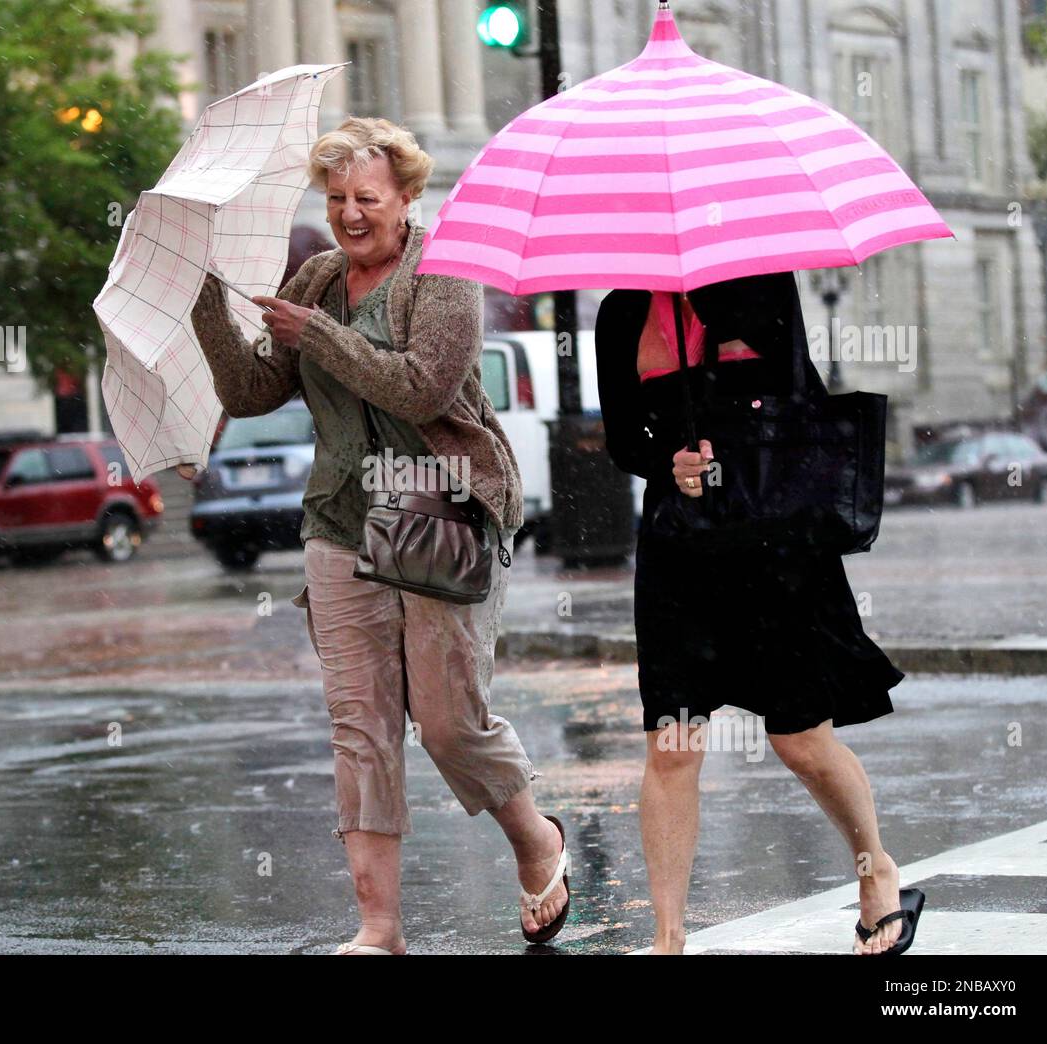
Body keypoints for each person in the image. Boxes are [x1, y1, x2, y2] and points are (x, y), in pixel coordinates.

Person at [186, 117, 570, 954]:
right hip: (338, 525)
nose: (350, 215)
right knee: (360, 725)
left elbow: (425, 388)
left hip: (440, 512)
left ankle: (536, 837)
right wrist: (205, 304)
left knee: (446, 724)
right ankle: (379, 928)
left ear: (406, 196)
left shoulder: (446, 271)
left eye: (366, 197)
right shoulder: (319, 276)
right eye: (335, 199)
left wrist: (316, 334)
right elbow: (254, 392)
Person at [595, 273, 921, 956]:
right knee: (674, 741)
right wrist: (670, 460)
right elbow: (625, 437)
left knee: (800, 738)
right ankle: (669, 939)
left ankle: (877, 869)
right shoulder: (622, 311)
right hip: (679, 545)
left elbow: (795, 393)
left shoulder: (759, 282)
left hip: (773, 538)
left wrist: (701, 305)